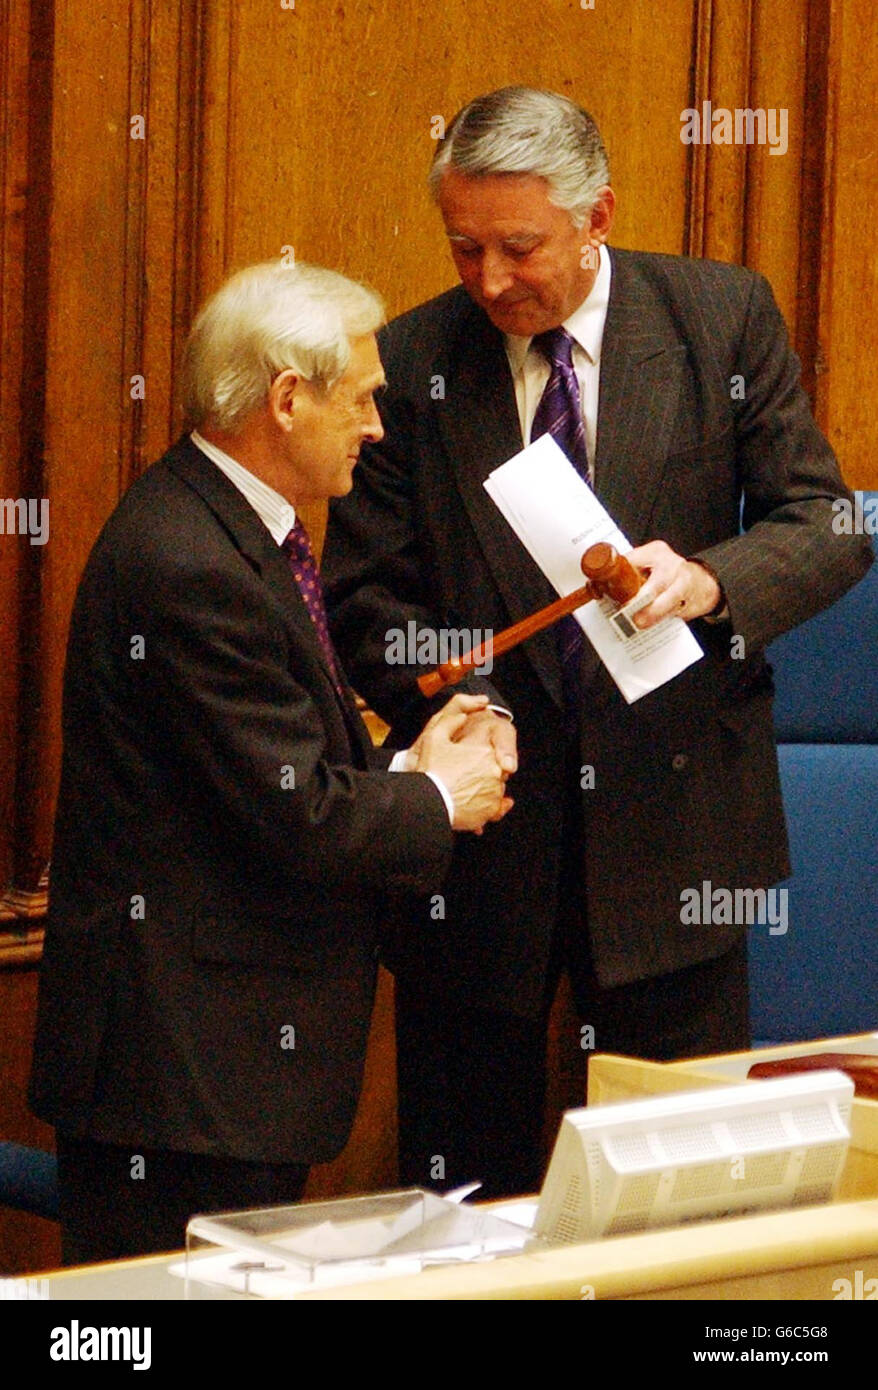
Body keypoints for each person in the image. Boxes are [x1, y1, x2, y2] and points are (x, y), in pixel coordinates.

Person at [322, 86, 874, 1198]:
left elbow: (827, 524)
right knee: (460, 1195)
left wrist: (711, 577)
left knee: (674, 1196)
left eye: (517, 248)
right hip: (481, 856)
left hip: (675, 840)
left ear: (597, 217)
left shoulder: (718, 318)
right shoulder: (415, 359)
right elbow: (364, 603)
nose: (487, 280)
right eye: (464, 247)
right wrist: (466, 694)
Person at [29, 259, 514, 1263]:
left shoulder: (232, 529)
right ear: (288, 399)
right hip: (182, 1078)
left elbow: (273, 765)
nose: (378, 427)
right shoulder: (189, 561)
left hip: (220, 1065)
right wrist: (436, 795)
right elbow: (295, 817)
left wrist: (407, 755)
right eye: (363, 398)